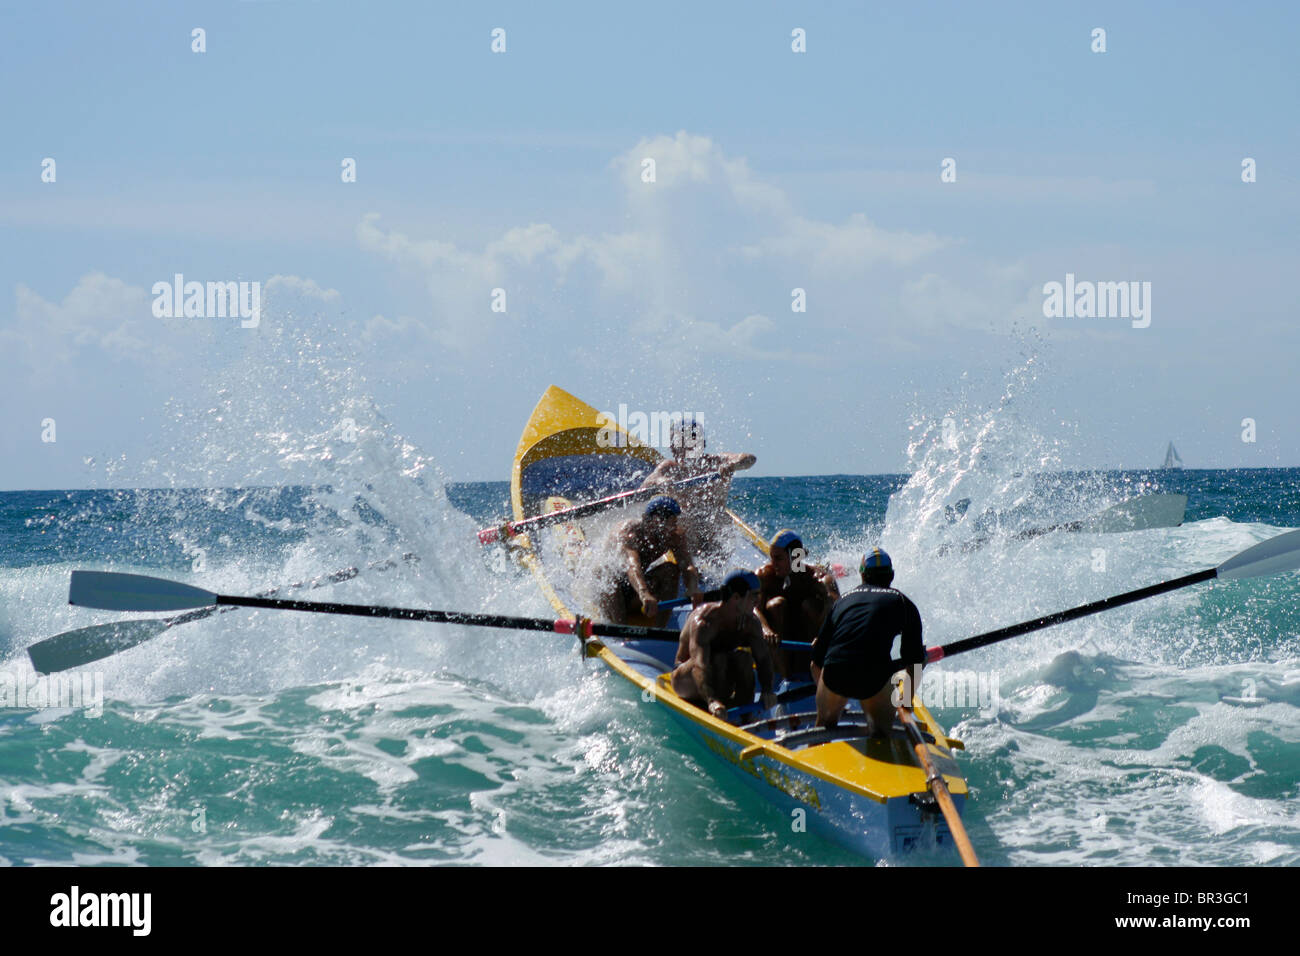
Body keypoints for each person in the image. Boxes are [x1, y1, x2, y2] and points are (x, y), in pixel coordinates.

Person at [810, 548, 924, 737]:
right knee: (881, 733)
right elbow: (916, 663)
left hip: (836, 673)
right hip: (873, 676)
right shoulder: (905, 604)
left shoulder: (842, 601)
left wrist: (832, 695)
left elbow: (815, 663)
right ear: (892, 576)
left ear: (862, 575)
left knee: (823, 725)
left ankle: (822, 730)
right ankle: (880, 738)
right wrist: (905, 702)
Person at [638, 416, 756, 563]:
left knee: (719, 519)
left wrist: (733, 465)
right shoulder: (670, 468)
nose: (681, 448)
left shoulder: (717, 462)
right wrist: (660, 481)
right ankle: (690, 566)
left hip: (716, 531)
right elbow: (645, 486)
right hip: (687, 534)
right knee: (685, 520)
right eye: (678, 443)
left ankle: (720, 565)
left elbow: (750, 458)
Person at [671, 569, 777, 720]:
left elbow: (763, 658)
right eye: (754, 595)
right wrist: (712, 700)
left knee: (744, 659)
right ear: (735, 598)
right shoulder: (704, 621)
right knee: (718, 659)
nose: (758, 600)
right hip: (686, 679)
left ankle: (745, 715)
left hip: (718, 675)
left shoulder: (750, 622)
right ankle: (716, 705)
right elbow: (699, 665)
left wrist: (767, 690)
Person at [597, 495, 702, 625]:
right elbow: (632, 566)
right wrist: (644, 593)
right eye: (668, 525)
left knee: (670, 569)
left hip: (636, 588)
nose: (671, 530)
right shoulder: (629, 533)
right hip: (611, 590)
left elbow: (687, 566)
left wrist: (692, 586)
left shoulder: (674, 535)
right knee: (605, 572)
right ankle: (622, 631)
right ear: (650, 521)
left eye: (673, 524)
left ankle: (660, 628)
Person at [754, 529, 839, 675]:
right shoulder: (765, 576)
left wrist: (823, 636)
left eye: (778, 558)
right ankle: (783, 674)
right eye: (771, 557)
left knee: (810, 605)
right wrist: (765, 628)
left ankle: (816, 666)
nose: (773, 563)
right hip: (778, 641)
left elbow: (836, 605)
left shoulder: (816, 577)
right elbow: (753, 608)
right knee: (776, 605)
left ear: (796, 557)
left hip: (807, 638)